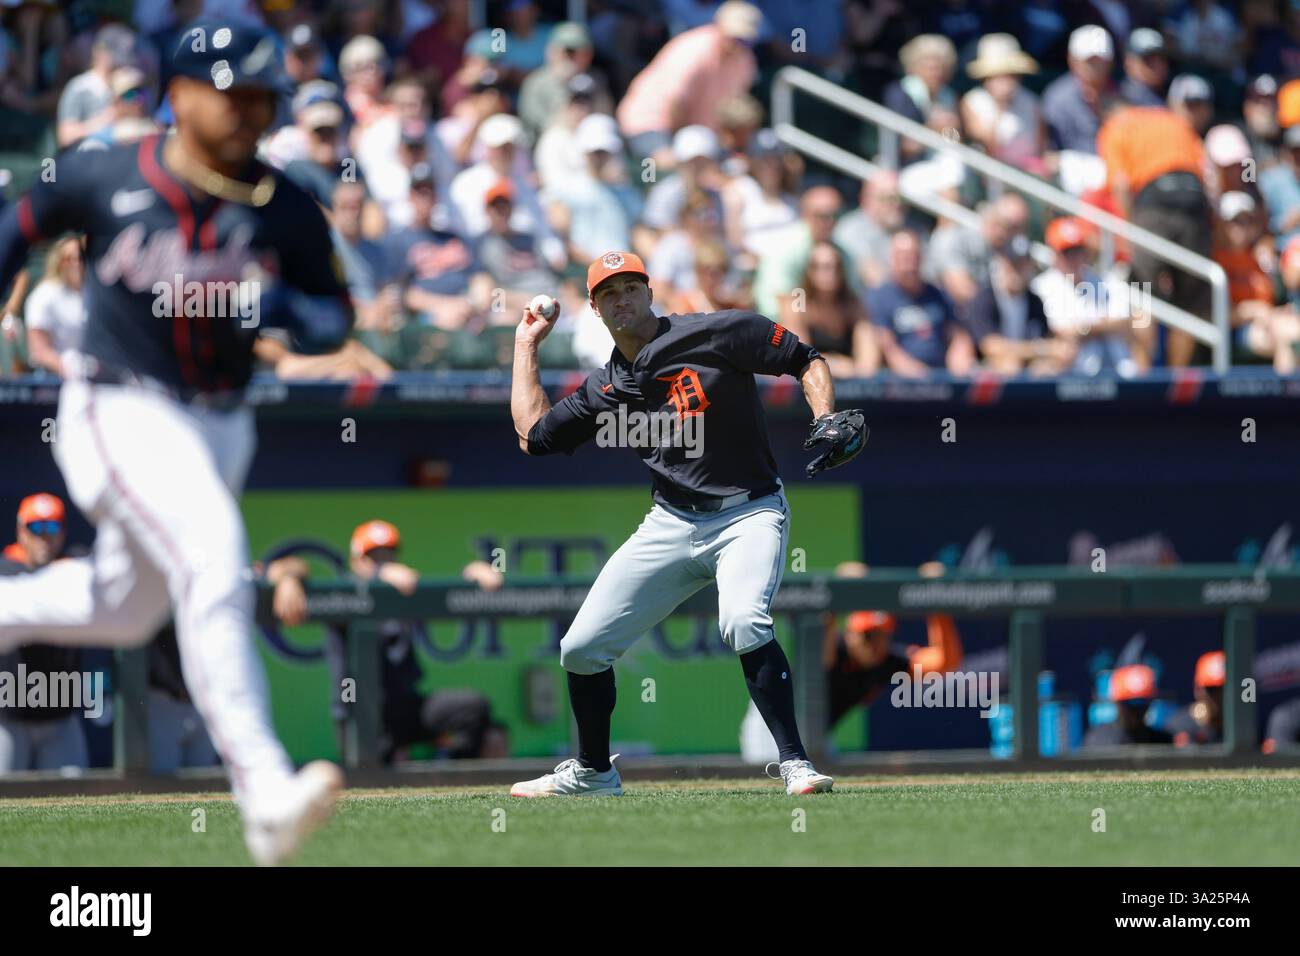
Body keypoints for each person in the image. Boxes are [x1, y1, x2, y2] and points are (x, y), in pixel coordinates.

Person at [0, 19, 348, 866]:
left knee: (124, 610)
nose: (249, 110)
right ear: (182, 92)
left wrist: (284, 313)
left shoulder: (285, 202)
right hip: (118, 406)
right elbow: (19, 225)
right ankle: (263, 789)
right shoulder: (111, 169)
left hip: (223, 421)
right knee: (212, 555)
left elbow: (335, 313)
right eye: (233, 91)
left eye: (264, 95)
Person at [509, 250, 864, 796]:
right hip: (670, 522)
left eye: (631, 287)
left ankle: (795, 764)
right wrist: (525, 345)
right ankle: (593, 772)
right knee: (580, 647)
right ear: (595, 310)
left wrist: (825, 415)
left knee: (744, 621)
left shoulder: (720, 331)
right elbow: (531, 436)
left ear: (650, 292)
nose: (622, 299)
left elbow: (805, 358)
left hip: (749, 511)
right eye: (609, 293)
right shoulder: (606, 386)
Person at [265, 519, 507, 764]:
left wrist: (475, 574)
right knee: (380, 764)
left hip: (404, 708)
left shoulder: (402, 592)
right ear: (356, 562)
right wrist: (287, 579)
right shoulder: (345, 590)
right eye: (374, 558)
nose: (383, 563)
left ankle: (452, 774)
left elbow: (450, 598)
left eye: (388, 555)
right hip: (359, 711)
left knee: (473, 707)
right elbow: (283, 567)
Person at [1096, 98, 1212, 367]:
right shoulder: (1174, 121)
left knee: (1142, 293)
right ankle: (1178, 382)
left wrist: (1129, 232)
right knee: (1189, 302)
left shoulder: (1116, 125)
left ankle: (1143, 377)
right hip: (1194, 202)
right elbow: (1207, 173)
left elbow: (1121, 184)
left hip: (1154, 205)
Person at [0, 494, 88, 774]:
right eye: (35, 528)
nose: (43, 537)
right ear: (20, 530)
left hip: (60, 717)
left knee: (76, 805)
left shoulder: (75, 569)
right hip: (8, 717)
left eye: (51, 528)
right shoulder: (3, 571)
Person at [615, 0, 761, 167]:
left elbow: (732, 111)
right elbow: (675, 103)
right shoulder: (693, 50)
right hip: (650, 123)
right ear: (718, 27)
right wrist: (684, 146)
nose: (738, 45)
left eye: (746, 41)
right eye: (734, 37)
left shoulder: (745, 61)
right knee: (669, 165)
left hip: (696, 134)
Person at [868, 230, 975, 377]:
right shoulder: (878, 297)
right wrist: (918, 374)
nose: (909, 264)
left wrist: (960, 359)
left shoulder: (938, 294)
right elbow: (887, 346)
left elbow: (957, 335)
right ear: (892, 259)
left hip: (942, 375)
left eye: (914, 256)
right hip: (900, 381)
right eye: (903, 257)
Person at [964, 235, 1074, 375]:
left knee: (1048, 367)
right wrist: (1043, 349)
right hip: (984, 373)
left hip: (1026, 366)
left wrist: (1059, 351)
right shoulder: (984, 298)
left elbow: (1044, 336)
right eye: (1013, 264)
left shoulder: (1034, 301)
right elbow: (991, 347)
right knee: (1009, 365)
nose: (1017, 271)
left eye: (1022, 264)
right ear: (1001, 263)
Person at [778, 240, 878, 378]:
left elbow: (868, 362)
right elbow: (798, 355)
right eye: (822, 267)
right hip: (807, 382)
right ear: (809, 271)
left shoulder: (853, 305)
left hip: (852, 383)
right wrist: (836, 364)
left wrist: (855, 369)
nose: (830, 273)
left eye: (835, 266)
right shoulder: (797, 301)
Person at [960, 34, 1045, 174]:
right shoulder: (971, 102)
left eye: (1010, 73)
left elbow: (1041, 147)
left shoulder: (1031, 101)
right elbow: (988, 146)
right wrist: (1000, 106)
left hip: (1030, 173)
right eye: (999, 74)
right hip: (993, 175)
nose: (1007, 80)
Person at [23, 237, 85, 378]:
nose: (78, 263)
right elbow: (39, 350)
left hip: (92, 374)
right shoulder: (44, 295)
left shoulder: (91, 293)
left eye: (82, 257)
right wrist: (69, 369)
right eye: (71, 258)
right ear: (60, 261)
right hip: (55, 378)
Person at [1082, 664, 1173, 747]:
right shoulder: (1099, 739)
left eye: (1141, 703)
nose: (1136, 710)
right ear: (1117, 703)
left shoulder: (1162, 742)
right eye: (1129, 704)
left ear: (1150, 703)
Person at [1168, 651, 1225, 748]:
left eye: (1223, 689)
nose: (1218, 696)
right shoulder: (1180, 726)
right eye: (1211, 689)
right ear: (1197, 690)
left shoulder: (1242, 730)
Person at [1119, 27, 1168, 107]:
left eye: (1161, 58)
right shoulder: (1124, 99)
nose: (1157, 64)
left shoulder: (1171, 96)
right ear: (1129, 63)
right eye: (1148, 59)